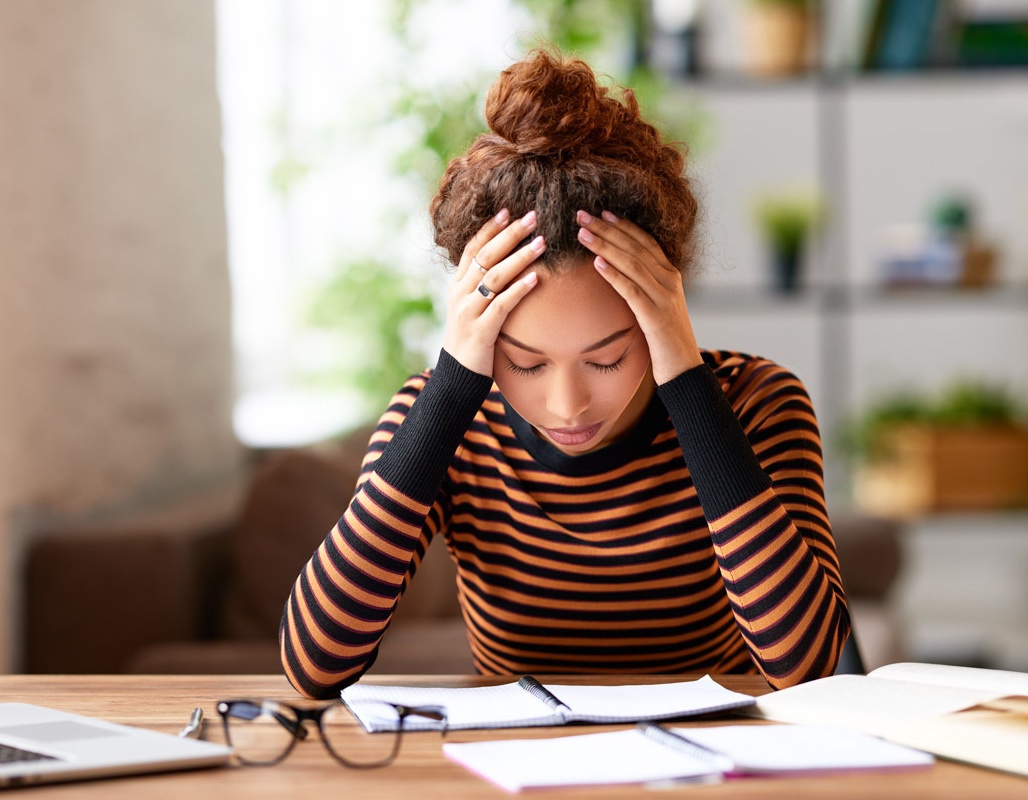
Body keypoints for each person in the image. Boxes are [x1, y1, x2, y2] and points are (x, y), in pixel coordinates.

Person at [280, 48, 848, 700]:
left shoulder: (756, 404)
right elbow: (315, 665)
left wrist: (685, 381)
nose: (568, 405)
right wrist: (452, 386)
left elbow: (807, 670)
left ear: (665, 309)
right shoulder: (442, 418)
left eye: (606, 358)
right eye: (525, 362)